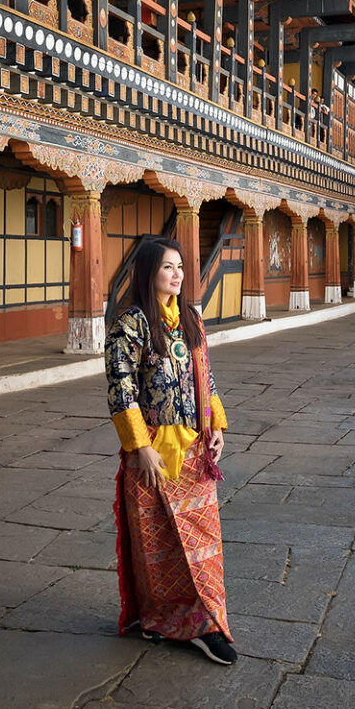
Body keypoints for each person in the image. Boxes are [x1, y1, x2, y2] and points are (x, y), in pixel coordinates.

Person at [105, 236, 237, 665]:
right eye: (167, 267)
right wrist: (139, 447)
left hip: (195, 449)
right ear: (148, 272)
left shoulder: (192, 318)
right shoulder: (130, 324)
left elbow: (207, 378)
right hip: (154, 453)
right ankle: (160, 620)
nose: (177, 274)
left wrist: (216, 424)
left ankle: (210, 624)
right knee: (155, 546)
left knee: (204, 544)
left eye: (180, 266)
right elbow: (121, 390)